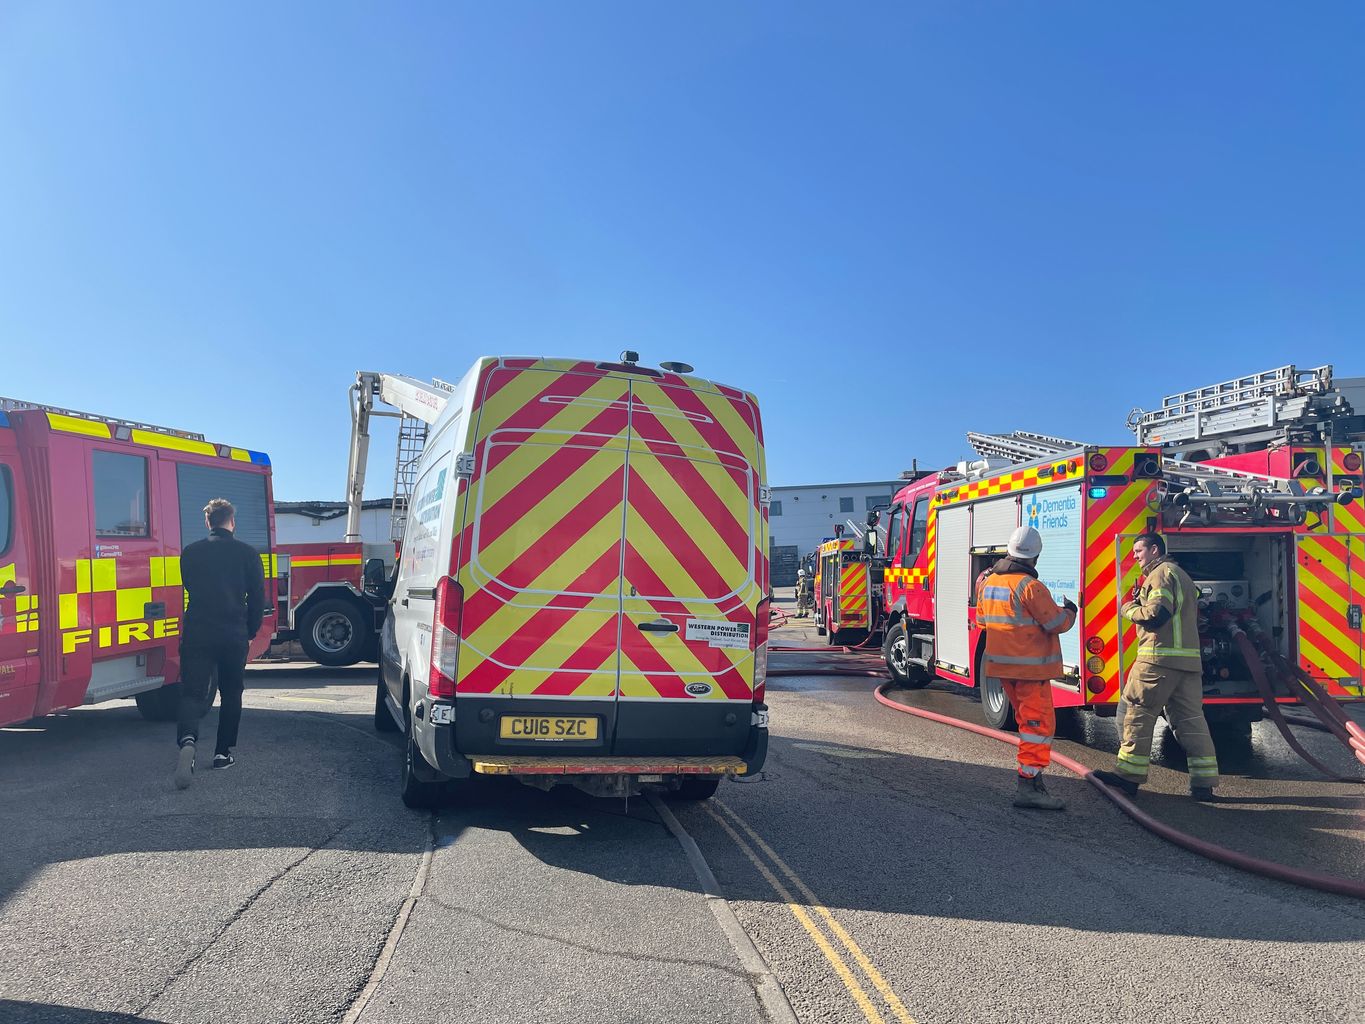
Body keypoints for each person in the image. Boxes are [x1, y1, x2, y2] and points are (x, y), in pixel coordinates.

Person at [1095, 533, 1219, 801]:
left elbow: (1156, 615)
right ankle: (1204, 784)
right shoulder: (1182, 575)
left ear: (1154, 549)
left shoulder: (1160, 574)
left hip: (1157, 659)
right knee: (1191, 721)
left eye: (1139, 550)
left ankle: (1127, 778)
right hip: (1187, 664)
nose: (1135, 556)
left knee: (1134, 712)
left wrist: (1128, 608)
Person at [975, 526, 1078, 810]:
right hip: (1030, 672)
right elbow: (1057, 624)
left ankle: (1031, 780)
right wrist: (1070, 611)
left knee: (1027, 724)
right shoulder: (1030, 587)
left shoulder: (988, 583)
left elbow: (983, 622)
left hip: (1003, 669)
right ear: (1035, 557)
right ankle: (1029, 786)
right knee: (1038, 727)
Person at [174, 498, 266, 789]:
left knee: (192, 693)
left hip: (198, 632)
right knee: (231, 692)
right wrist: (250, 631)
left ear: (208, 522)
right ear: (232, 521)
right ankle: (222, 753)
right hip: (232, 633)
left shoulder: (190, 553)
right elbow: (257, 599)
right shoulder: (248, 554)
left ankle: (187, 738)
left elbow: (189, 586)